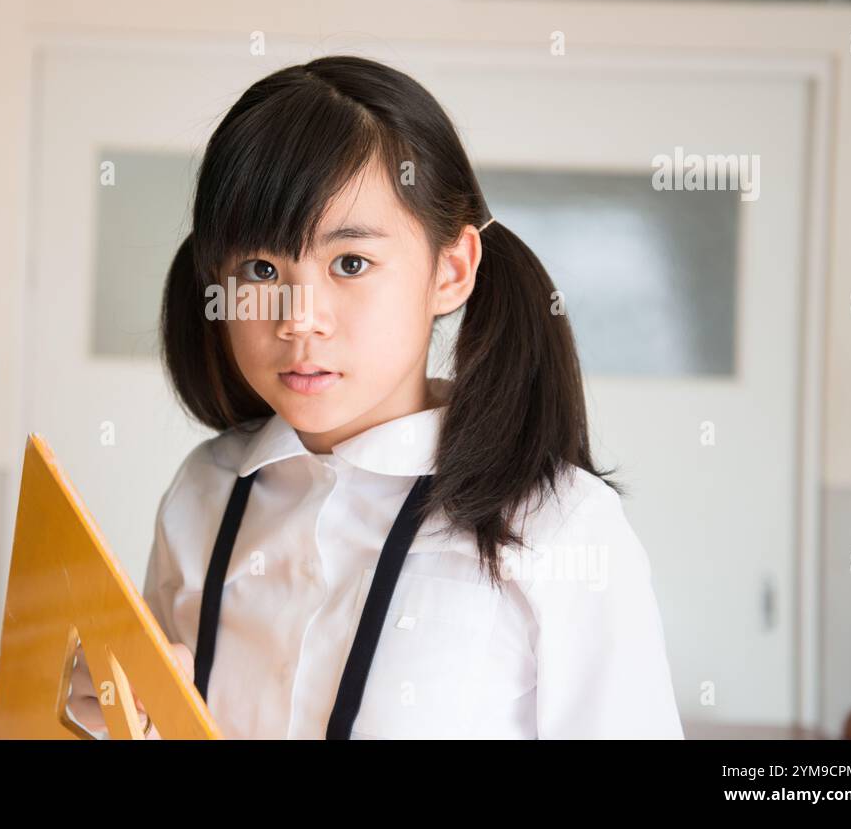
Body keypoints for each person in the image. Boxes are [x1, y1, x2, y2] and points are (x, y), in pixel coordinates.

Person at [70, 55, 683, 739]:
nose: (299, 316)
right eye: (262, 268)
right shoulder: (203, 492)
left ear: (450, 271)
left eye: (350, 263)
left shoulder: (559, 525)